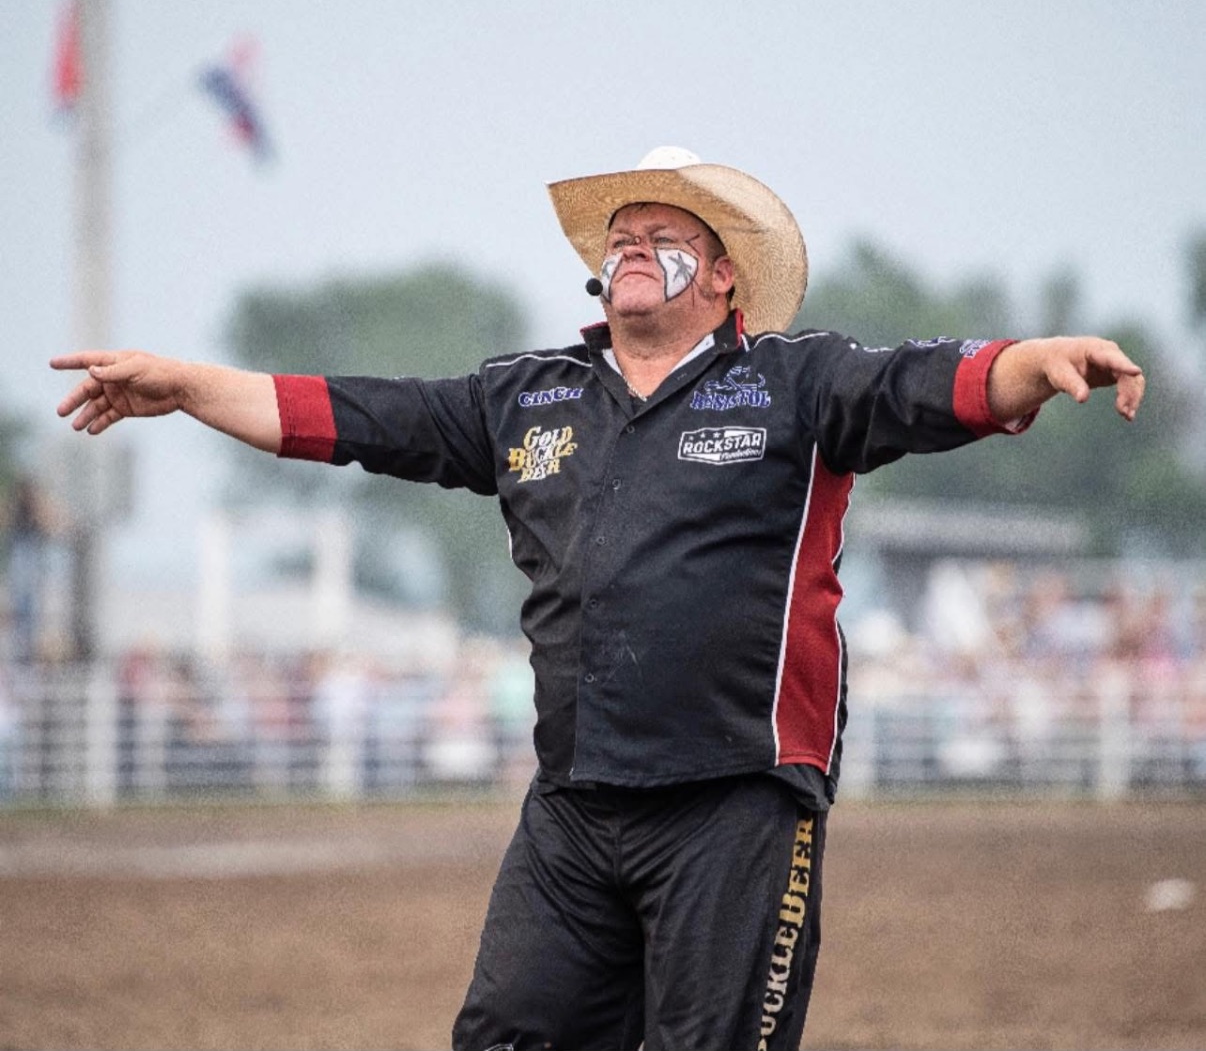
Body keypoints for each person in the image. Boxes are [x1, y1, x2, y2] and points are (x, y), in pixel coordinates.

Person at [51, 146, 1145, 1050]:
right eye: (620, 234)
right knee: (502, 1035)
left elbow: (929, 382)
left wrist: (1034, 359)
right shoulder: (528, 398)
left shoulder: (798, 382)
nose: (629, 245)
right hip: (573, 807)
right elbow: (355, 415)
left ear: (724, 277)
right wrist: (188, 386)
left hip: (737, 801)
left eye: (663, 233)